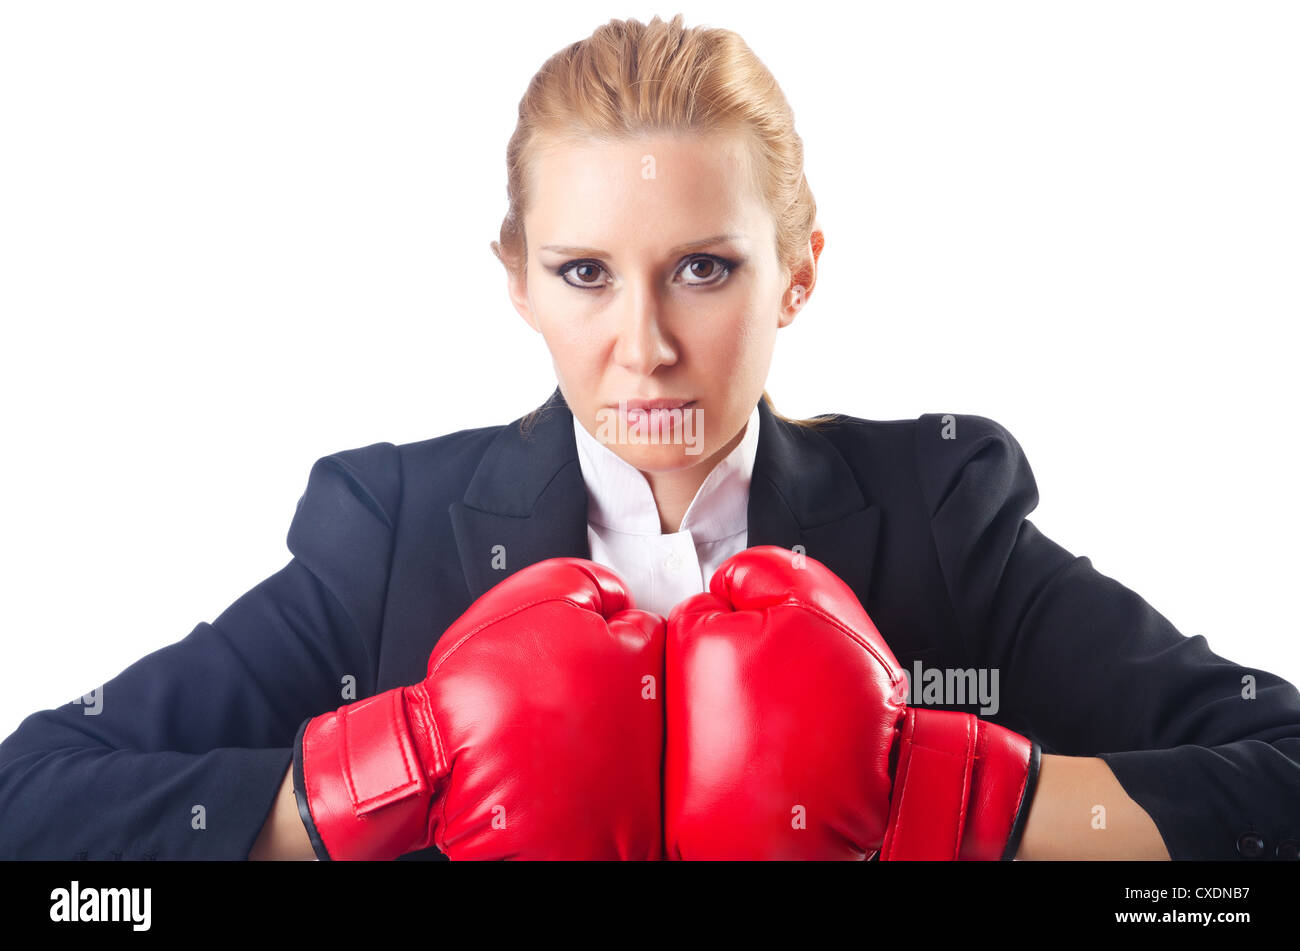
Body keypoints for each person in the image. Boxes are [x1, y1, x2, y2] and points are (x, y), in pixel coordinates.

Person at [1, 13, 1298, 861]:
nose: (645, 344)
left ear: (798, 274)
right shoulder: (394, 531)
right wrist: (359, 788)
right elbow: (35, 795)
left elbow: (1280, 773)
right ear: (515, 281)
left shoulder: (934, 518)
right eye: (582, 274)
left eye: (703, 270)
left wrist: (978, 808)